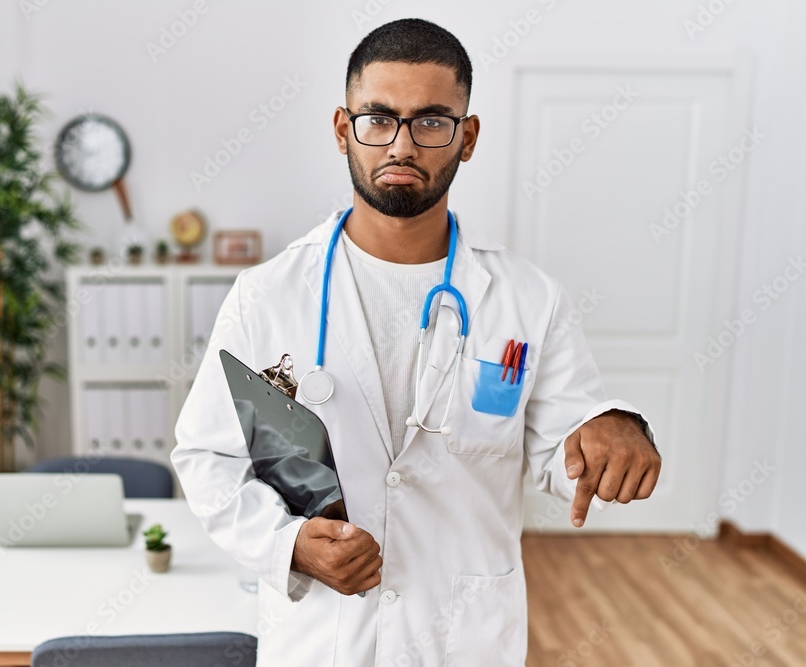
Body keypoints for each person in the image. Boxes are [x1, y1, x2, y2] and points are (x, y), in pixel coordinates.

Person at [171, 18, 660, 666]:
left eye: (431, 121)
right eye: (378, 118)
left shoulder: (527, 299)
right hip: (324, 637)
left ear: (468, 135)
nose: (401, 144)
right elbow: (206, 456)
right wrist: (289, 544)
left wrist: (615, 428)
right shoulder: (268, 295)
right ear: (343, 129)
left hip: (465, 640)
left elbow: (570, 442)